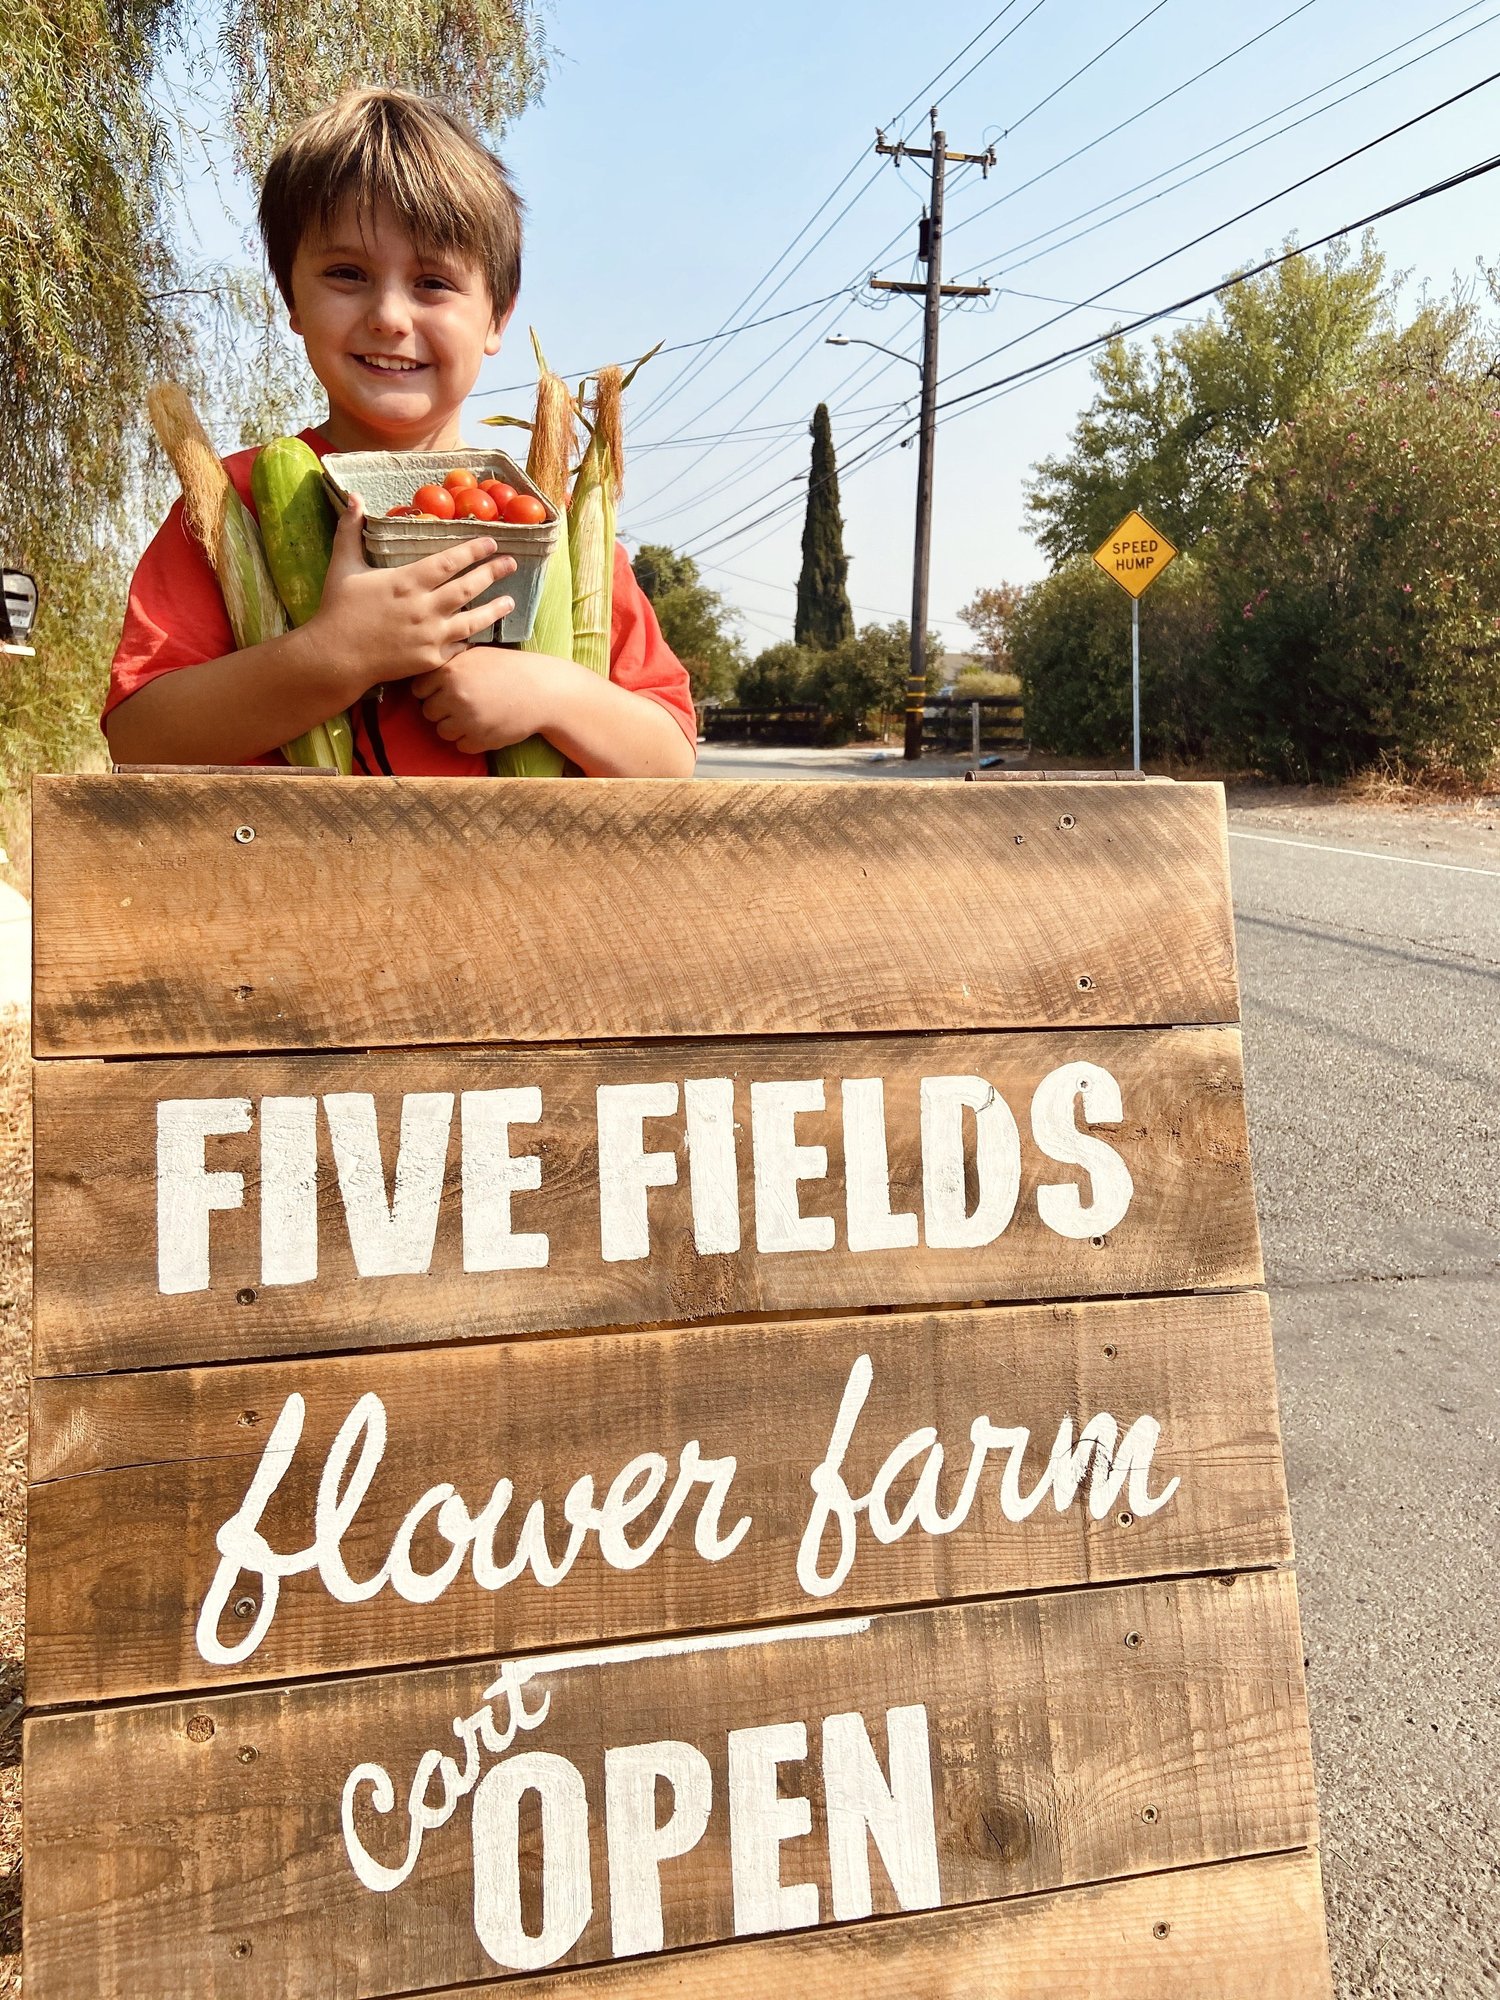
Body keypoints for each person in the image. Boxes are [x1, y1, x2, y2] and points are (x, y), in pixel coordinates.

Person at [103, 89, 698, 779]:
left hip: (504, 889)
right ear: (292, 300)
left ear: (498, 316)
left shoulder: (543, 520)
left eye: (433, 283)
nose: (389, 315)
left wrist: (551, 694)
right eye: (347, 274)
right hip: (294, 886)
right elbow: (140, 736)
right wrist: (333, 657)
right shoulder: (229, 505)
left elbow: (670, 760)